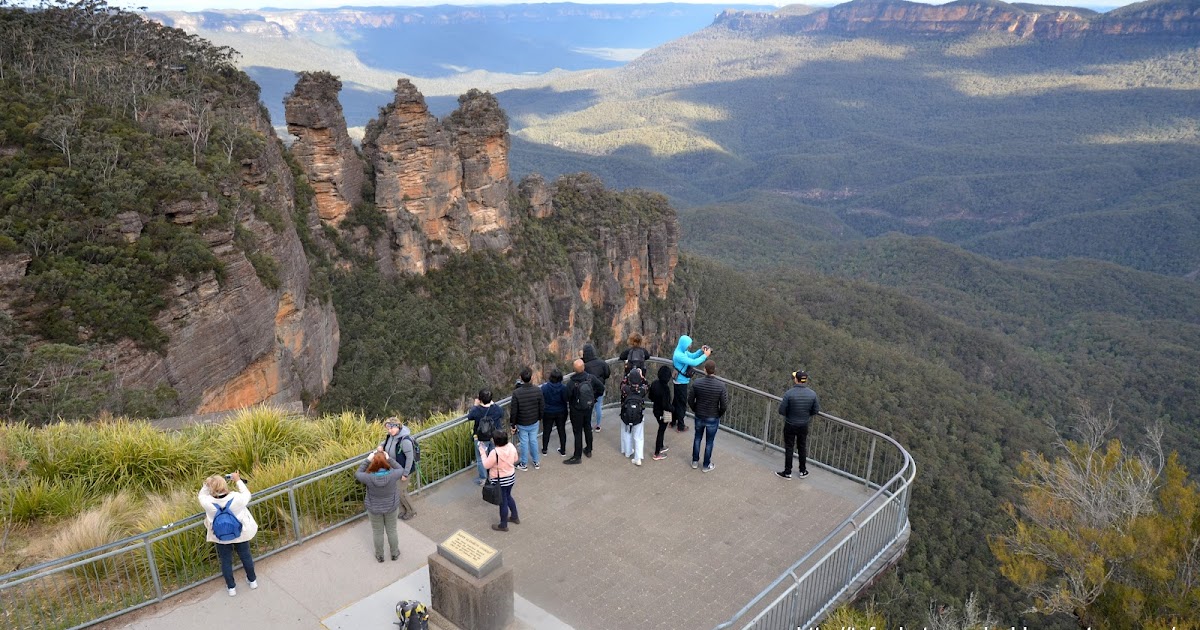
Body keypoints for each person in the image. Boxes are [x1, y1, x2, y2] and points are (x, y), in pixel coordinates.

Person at [198, 472, 258, 596]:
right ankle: (252, 581)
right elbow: (247, 494)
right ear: (225, 485)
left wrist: (206, 484)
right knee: (246, 556)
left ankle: (231, 588)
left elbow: (201, 495)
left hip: (220, 537)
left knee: (226, 561)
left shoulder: (208, 502)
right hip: (240, 533)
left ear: (211, 487)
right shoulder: (236, 498)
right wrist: (237, 480)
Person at [356, 450, 406, 562]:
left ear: (373, 462)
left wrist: (367, 459)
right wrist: (389, 458)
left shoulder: (368, 477)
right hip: (391, 507)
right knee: (392, 530)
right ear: (385, 462)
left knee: (377, 532)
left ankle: (380, 556)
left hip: (374, 509)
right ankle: (394, 553)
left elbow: (358, 473)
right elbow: (401, 469)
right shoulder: (393, 475)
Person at [776, 370, 821, 480]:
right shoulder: (812, 394)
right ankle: (802, 470)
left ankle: (787, 472)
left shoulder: (789, 394)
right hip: (803, 425)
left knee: (789, 447)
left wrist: (790, 415)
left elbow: (781, 410)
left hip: (790, 424)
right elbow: (815, 410)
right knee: (802, 447)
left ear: (796, 379)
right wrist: (805, 416)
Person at [687, 362, 728, 473]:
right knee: (709, 442)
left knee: (697, 438)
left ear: (705, 370)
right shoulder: (721, 386)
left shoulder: (697, 383)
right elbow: (724, 405)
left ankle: (695, 461)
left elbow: (690, 400)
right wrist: (718, 414)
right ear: (714, 370)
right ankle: (706, 465)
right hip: (713, 417)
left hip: (699, 415)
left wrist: (695, 409)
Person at [564, 358, 603, 464]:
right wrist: (594, 399)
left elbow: (567, 397)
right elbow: (601, 388)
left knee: (577, 432)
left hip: (576, 410)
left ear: (574, 369)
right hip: (588, 408)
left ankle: (577, 456)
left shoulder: (571, 383)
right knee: (587, 427)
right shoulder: (591, 378)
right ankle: (589, 450)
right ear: (584, 367)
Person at [480, 429, 520, 531]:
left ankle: (503, 525)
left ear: (495, 441)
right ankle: (514, 516)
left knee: (503, 502)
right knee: (508, 496)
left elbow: (486, 464)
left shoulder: (495, 452)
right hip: (510, 477)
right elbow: (515, 459)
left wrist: (482, 452)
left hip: (499, 480)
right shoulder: (511, 446)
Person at [671, 335, 711, 432]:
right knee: (681, 404)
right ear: (684, 344)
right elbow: (693, 362)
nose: (689, 345)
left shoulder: (681, 350)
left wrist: (700, 351)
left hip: (679, 380)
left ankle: (672, 422)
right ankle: (680, 426)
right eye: (688, 344)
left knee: (676, 402)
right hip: (681, 382)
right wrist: (705, 355)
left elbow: (691, 356)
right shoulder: (679, 355)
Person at [380, 417, 417, 520]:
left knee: (401, 492)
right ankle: (405, 510)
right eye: (388, 428)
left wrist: (405, 474)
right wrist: (381, 445)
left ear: (397, 427)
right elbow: (387, 442)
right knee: (397, 491)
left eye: (391, 428)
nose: (389, 430)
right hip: (395, 469)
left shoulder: (405, 441)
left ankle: (411, 511)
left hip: (403, 470)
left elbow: (410, 458)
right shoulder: (392, 436)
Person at [509, 366, 545, 471]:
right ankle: (536, 461)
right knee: (533, 440)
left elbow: (514, 411)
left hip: (522, 422)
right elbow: (542, 406)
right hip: (534, 421)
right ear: (531, 378)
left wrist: (513, 424)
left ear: (521, 378)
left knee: (524, 442)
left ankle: (524, 463)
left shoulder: (516, 393)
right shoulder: (537, 390)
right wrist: (539, 418)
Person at [468, 390, 505, 485]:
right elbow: (501, 413)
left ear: (480, 399)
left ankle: (483, 479)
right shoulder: (496, 409)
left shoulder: (477, 410)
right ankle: (495, 475)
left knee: (480, 458)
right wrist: (493, 404)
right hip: (494, 437)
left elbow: (470, 416)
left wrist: (476, 405)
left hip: (481, 438)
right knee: (495, 455)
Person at [619, 367, 648, 465]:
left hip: (625, 414)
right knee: (638, 436)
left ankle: (627, 452)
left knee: (627, 432)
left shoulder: (625, 389)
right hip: (638, 415)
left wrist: (627, 375)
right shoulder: (642, 390)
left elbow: (622, 383)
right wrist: (642, 377)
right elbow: (646, 384)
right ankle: (638, 458)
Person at [582, 342, 610, 432]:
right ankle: (598, 425)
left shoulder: (585, 366)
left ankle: (589, 426)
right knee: (598, 406)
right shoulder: (602, 363)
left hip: (589, 390)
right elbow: (607, 374)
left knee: (589, 407)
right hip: (600, 387)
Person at [541, 368, 569, 456]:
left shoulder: (544, 387)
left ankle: (545, 449)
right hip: (561, 411)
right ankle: (563, 450)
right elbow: (566, 399)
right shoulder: (564, 388)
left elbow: (542, 400)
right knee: (561, 430)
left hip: (548, 411)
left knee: (547, 430)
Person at [648, 364, 673, 461]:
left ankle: (661, 446)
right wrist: (673, 409)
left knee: (662, 429)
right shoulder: (665, 389)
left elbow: (650, 397)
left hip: (656, 410)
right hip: (664, 413)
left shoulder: (655, 383)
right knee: (661, 430)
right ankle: (657, 453)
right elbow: (666, 405)